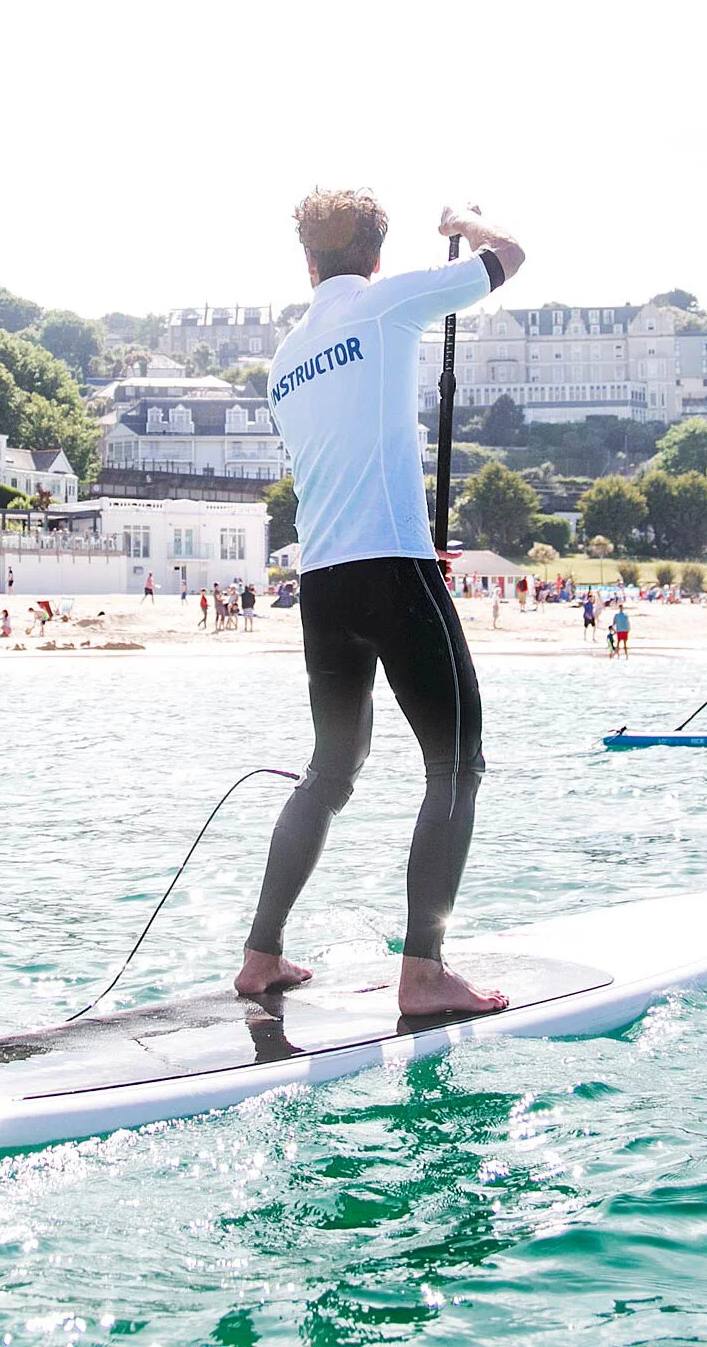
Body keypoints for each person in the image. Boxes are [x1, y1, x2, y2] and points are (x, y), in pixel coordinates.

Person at [236, 190, 524, 1019]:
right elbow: (511, 259)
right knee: (456, 764)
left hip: (323, 585)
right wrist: (472, 225)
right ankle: (425, 972)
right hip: (394, 568)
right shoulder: (388, 302)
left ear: (307, 260)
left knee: (329, 771)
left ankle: (262, 955)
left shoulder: (285, 357)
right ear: (374, 256)